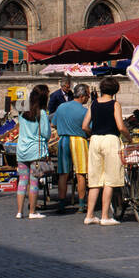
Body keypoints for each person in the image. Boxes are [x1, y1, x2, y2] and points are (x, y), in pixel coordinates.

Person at [82, 76, 126, 226]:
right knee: (110, 178)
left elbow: (84, 125)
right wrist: (129, 137)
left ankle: (89, 215)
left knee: (94, 180)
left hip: (95, 140)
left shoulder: (93, 104)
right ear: (115, 90)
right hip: (110, 140)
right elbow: (120, 126)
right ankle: (105, 216)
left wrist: (92, 133)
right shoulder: (115, 104)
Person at [52, 83, 90, 214]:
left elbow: (53, 123)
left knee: (63, 174)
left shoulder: (61, 107)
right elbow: (88, 127)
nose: (88, 98)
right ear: (83, 96)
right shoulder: (85, 111)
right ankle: (81, 204)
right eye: (88, 95)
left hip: (63, 140)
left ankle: (61, 203)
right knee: (81, 174)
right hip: (79, 141)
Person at [15, 83, 51, 220]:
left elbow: (15, 102)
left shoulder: (22, 110)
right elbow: (46, 134)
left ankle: (19, 211)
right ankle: (32, 211)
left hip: (22, 151)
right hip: (35, 152)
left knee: (22, 181)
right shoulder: (41, 113)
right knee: (34, 182)